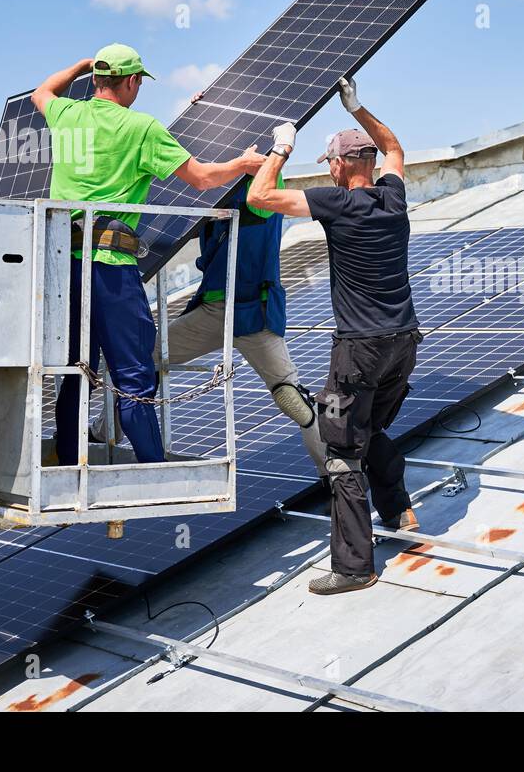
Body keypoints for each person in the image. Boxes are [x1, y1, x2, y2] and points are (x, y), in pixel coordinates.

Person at [33, 44, 265, 466]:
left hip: (63, 266)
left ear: (95, 79)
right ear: (132, 81)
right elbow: (200, 179)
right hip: (109, 268)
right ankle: (152, 468)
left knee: (73, 369)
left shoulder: (66, 115)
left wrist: (82, 65)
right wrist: (243, 163)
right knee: (134, 375)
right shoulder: (140, 128)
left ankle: (68, 461)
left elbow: (42, 92)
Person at [92, 90, 327, 474]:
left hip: (245, 311)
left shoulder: (260, 193)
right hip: (239, 312)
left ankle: (103, 433)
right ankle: (337, 476)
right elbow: (197, 169)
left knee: (291, 399)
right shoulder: (225, 198)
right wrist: (198, 110)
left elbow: (219, 176)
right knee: (289, 396)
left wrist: (271, 151)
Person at [246, 77, 419, 595]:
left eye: (329, 162)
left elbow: (260, 196)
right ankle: (401, 512)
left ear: (343, 166)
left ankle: (353, 567)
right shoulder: (393, 197)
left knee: (340, 448)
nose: (328, 169)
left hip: (359, 351)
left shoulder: (336, 204)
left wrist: (280, 148)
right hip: (403, 342)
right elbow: (393, 146)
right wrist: (359, 107)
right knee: (372, 430)